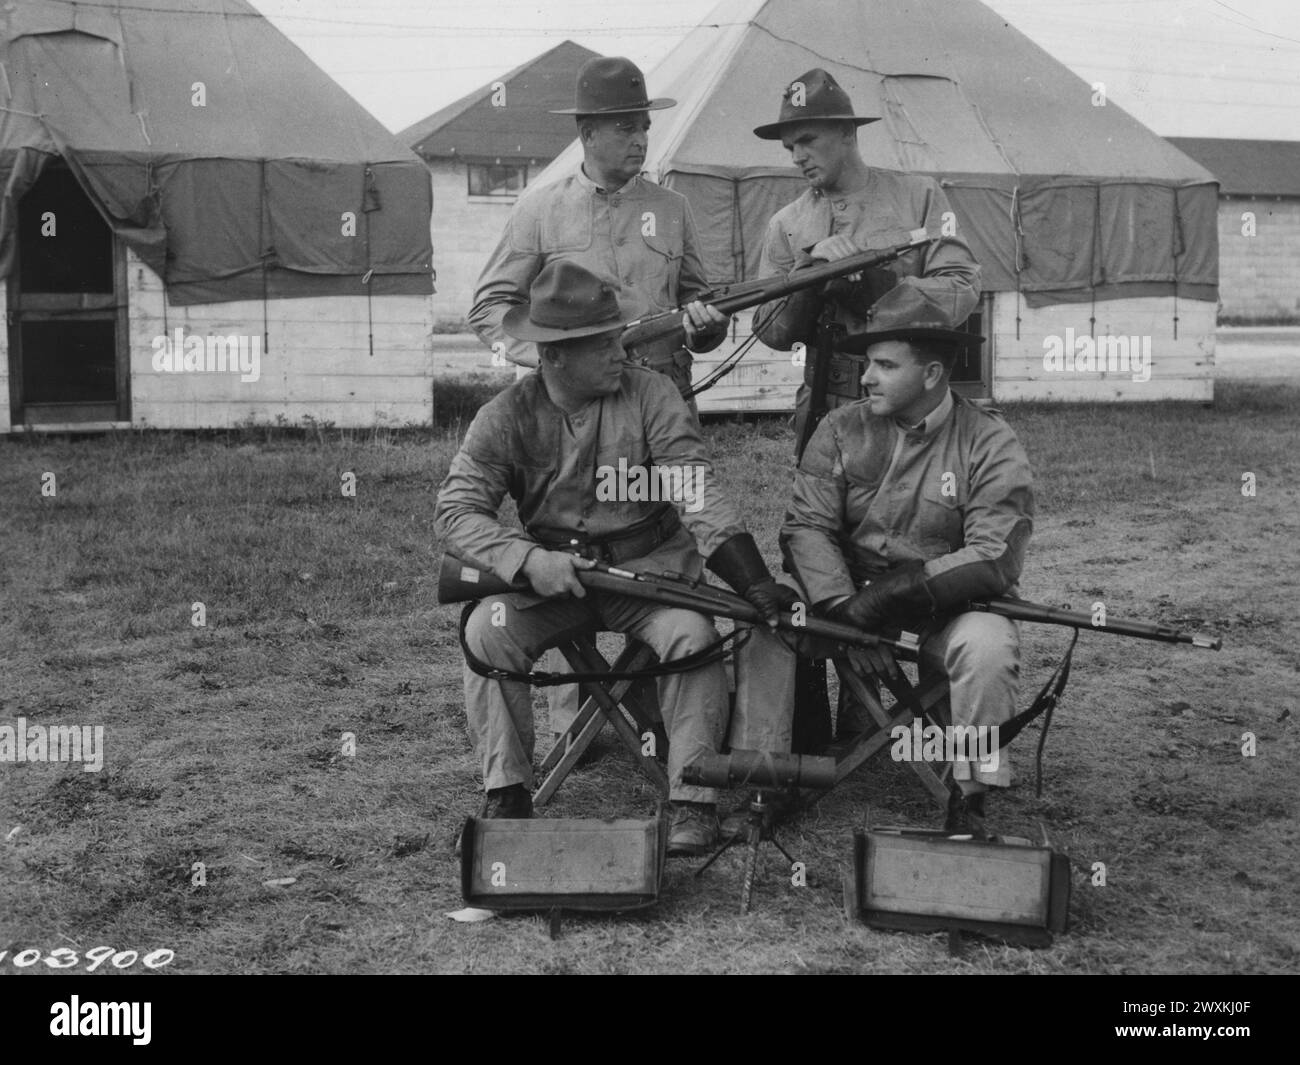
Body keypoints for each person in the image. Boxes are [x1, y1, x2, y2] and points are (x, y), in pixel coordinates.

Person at [436, 260, 795, 855]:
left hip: (653, 577)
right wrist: (526, 561)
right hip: (554, 582)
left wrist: (751, 579)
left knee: (693, 636)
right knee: (488, 630)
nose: (619, 350)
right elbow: (457, 514)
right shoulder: (502, 417)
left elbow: (693, 489)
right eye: (602, 342)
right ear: (555, 356)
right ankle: (507, 796)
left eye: (616, 335)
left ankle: (691, 799)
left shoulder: (653, 394)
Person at [470, 55, 730, 742]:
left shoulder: (670, 210)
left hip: (659, 414)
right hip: (570, 418)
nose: (639, 141)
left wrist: (710, 324)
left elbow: (698, 305)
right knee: (572, 545)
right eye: (623, 128)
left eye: (643, 127)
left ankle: (655, 711)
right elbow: (491, 308)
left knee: (662, 554)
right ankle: (576, 721)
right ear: (586, 132)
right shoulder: (541, 208)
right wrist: (558, 362)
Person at [732, 304, 1034, 837]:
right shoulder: (841, 426)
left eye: (885, 365)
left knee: (988, 646)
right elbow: (805, 527)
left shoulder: (989, 440)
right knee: (766, 625)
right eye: (868, 363)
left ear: (932, 374)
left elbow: (993, 556)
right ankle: (765, 781)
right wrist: (842, 606)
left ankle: (969, 796)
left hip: (943, 603)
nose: (866, 377)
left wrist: (895, 597)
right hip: (841, 597)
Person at [749, 68, 981, 457]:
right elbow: (772, 331)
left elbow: (961, 288)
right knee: (821, 513)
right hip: (824, 405)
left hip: (907, 404)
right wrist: (809, 274)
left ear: (847, 133)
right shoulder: (786, 224)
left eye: (807, 140)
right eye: (790, 148)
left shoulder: (918, 196)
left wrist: (877, 287)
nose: (798, 157)